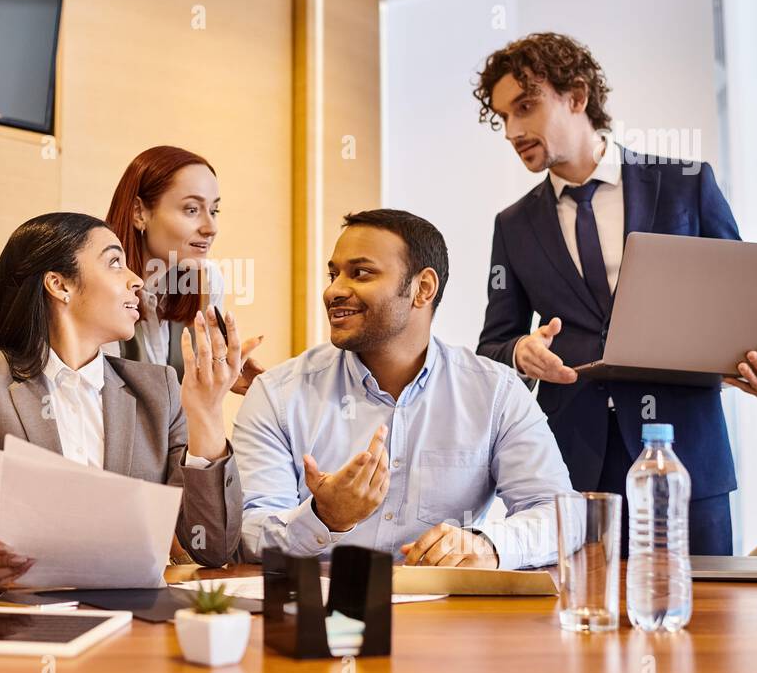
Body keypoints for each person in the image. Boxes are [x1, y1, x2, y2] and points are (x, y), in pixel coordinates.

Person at [473, 32, 757, 555]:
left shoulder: (685, 183)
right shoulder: (513, 225)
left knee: (706, 628)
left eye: (525, 106)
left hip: (686, 462)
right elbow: (493, 346)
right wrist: (520, 352)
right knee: (583, 627)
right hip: (574, 471)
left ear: (578, 97)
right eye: (502, 118)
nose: (513, 130)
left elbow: (747, 305)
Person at [235, 210, 573, 569]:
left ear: (422, 288)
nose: (333, 290)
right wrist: (324, 518)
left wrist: (488, 545)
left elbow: (563, 516)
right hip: (321, 616)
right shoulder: (277, 395)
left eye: (360, 273)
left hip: (447, 617)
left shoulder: (496, 393)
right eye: (334, 274)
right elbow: (248, 534)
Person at [0, 213, 246, 594]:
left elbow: (213, 547)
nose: (136, 280)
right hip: (20, 613)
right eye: (114, 262)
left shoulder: (158, 389)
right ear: (60, 284)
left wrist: (207, 414)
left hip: (134, 622)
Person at [104, 145, 263, 392]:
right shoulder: (102, 289)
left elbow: (192, 403)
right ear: (139, 213)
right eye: (192, 210)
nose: (211, 228)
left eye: (214, 210)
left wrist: (219, 376)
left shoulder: (207, 281)